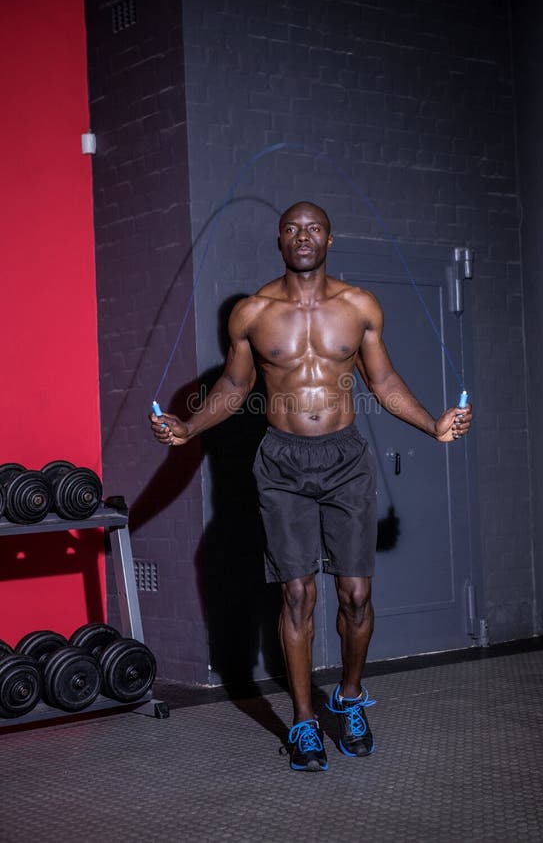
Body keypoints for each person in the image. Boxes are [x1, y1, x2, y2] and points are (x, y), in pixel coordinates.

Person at [150, 201, 473, 772]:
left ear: (330, 238)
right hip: (281, 462)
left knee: (356, 594)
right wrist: (189, 426)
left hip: (345, 458)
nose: (304, 237)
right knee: (297, 594)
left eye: (314, 229)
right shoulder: (253, 313)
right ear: (279, 240)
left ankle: (348, 701)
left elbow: (384, 378)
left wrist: (431, 424)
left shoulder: (359, 306)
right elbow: (232, 383)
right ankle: (303, 722)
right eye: (293, 230)